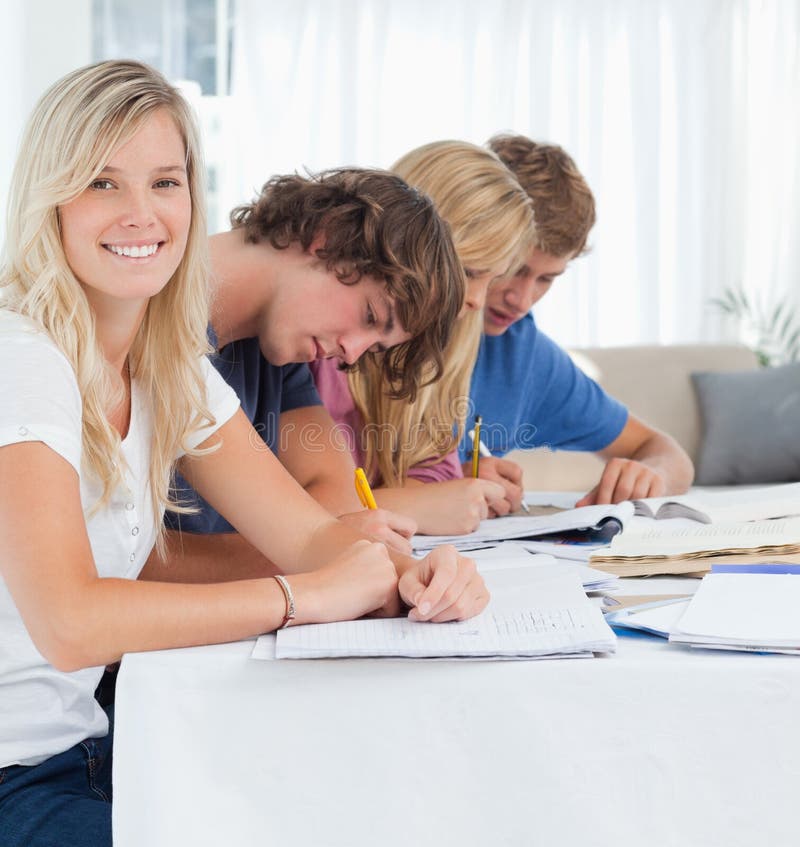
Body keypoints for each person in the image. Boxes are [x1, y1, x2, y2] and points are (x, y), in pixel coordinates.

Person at [0, 60, 486, 847]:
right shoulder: (21, 357)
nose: (142, 213)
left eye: (164, 182)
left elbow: (312, 532)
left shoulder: (169, 367)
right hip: (18, 776)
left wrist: (414, 573)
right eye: (101, 183)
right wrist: (307, 596)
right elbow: (70, 620)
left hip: (95, 748)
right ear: (48, 196)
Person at [150, 167, 465, 576]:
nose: (351, 354)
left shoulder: (278, 348)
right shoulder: (147, 314)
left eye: (374, 347)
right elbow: (122, 556)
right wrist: (324, 548)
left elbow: (336, 490)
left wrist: (322, 542)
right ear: (328, 236)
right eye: (370, 315)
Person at [311, 140, 537, 534]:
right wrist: (408, 505)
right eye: (467, 272)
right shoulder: (319, 343)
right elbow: (278, 510)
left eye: (493, 278)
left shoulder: (436, 351)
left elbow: (430, 471)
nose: (476, 300)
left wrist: (443, 490)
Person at [459, 133, 694, 505]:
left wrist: (652, 477)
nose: (522, 299)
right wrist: (440, 487)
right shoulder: (371, 331)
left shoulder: (524, 356)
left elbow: (665, 451)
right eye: (514, 268)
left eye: (546, 279)